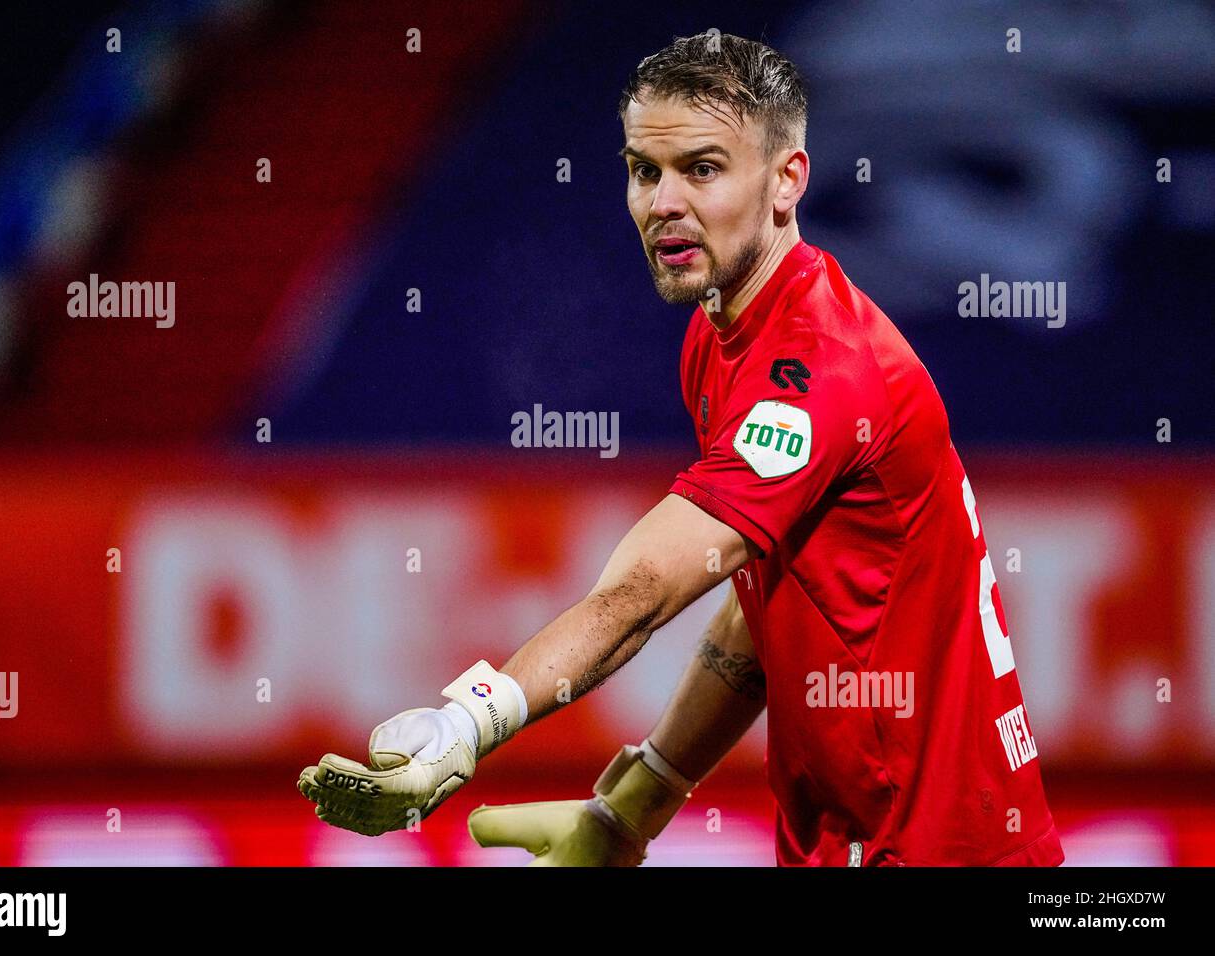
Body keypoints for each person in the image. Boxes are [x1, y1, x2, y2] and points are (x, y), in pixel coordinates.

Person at [298, 31, 1064, 867]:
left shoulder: (823, 370)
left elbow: (641, 592)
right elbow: (768, 606)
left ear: (786, 181)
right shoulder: (720, 332)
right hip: (855, 839)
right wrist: (634, 805)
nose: (662, 202)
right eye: (643, 170)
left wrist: (467, 721)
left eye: (702, 169)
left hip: (937, 851)